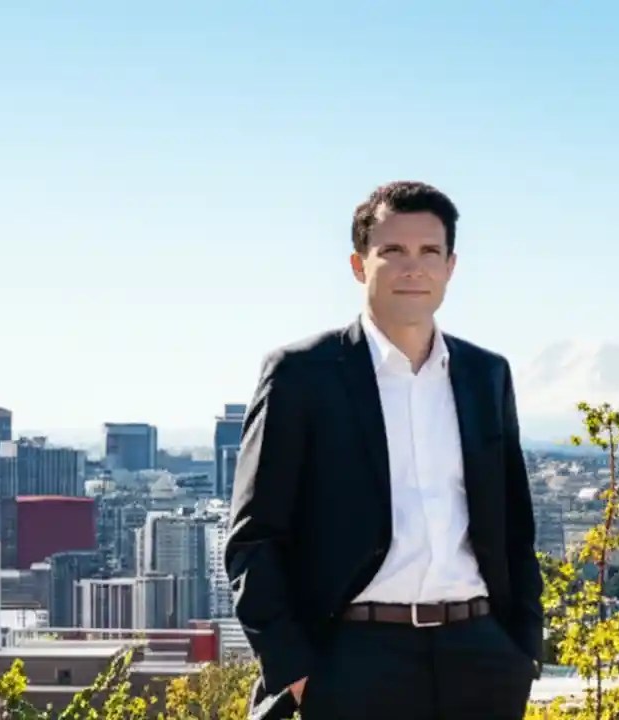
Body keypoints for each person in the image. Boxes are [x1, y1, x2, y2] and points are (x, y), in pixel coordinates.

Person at [223, 181, 542, 719]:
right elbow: (253, 538)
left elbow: (514, 525)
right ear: (358, 264)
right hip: (353, 659)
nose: (412, 268)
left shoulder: (486, 374)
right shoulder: (303, 375)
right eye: (392, 251)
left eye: (429, 252)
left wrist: (523, 650)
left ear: (451, 266)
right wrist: (296, 673)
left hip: (481, 658)